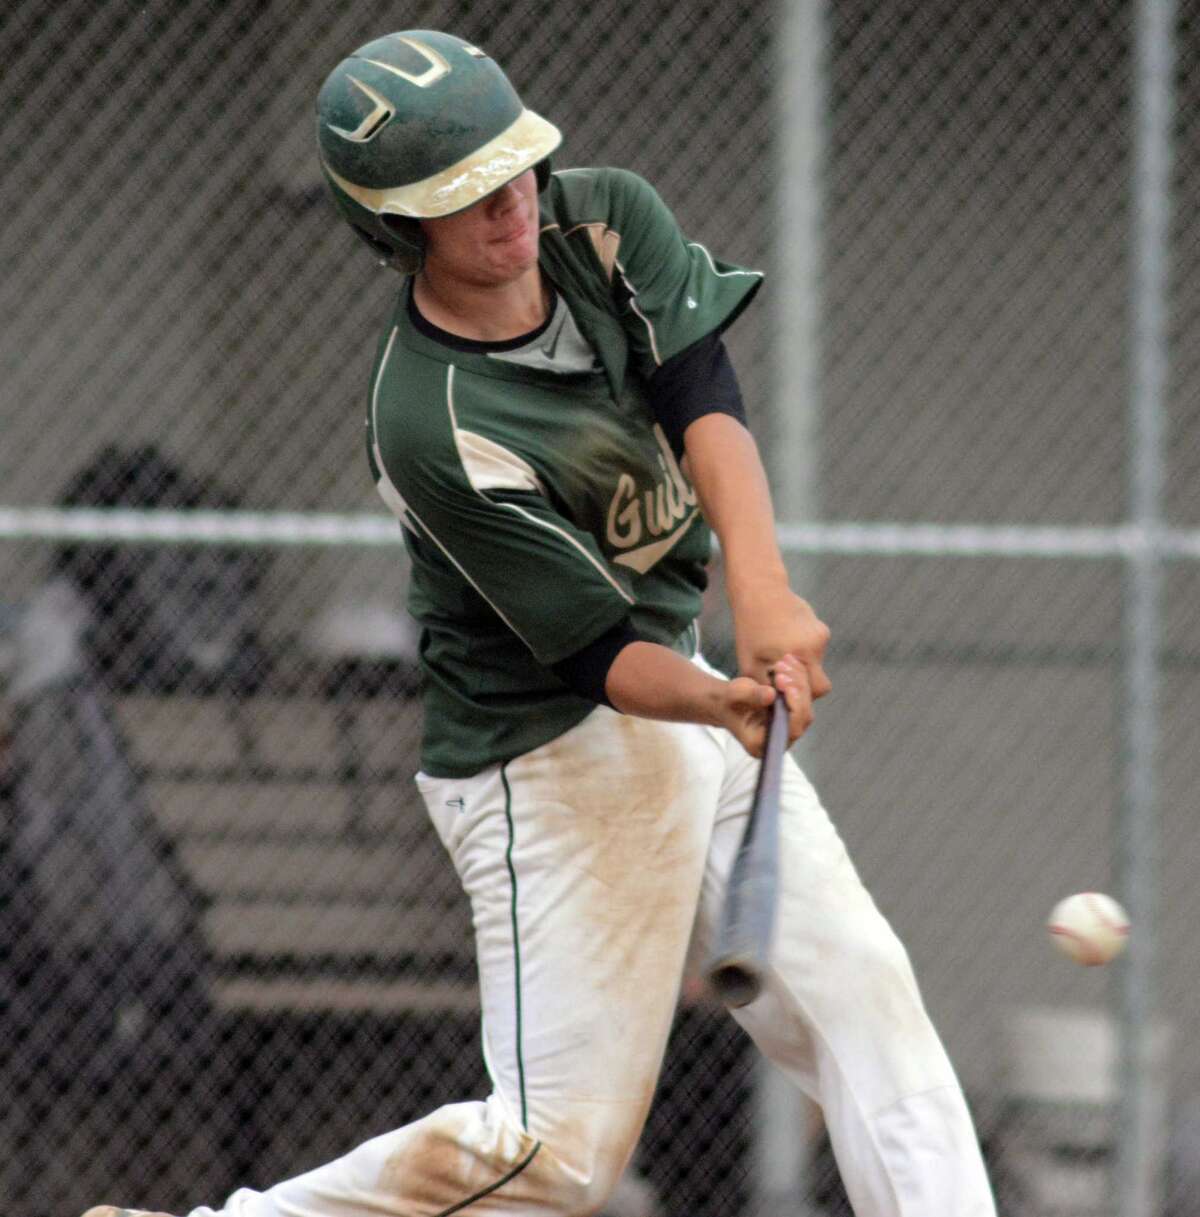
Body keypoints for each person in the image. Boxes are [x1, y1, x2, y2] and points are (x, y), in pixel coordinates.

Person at [85, 29, 996, 1217]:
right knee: (552, 1157)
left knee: (870, 1007)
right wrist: (720, 698)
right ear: (395, 225)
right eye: (461, 195)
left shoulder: (602, 218)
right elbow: (596, 653)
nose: (507, 205)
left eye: (510, 167)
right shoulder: (426, 416)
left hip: (688, 700)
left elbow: (698, 391)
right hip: (550, 762)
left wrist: (761, 591)